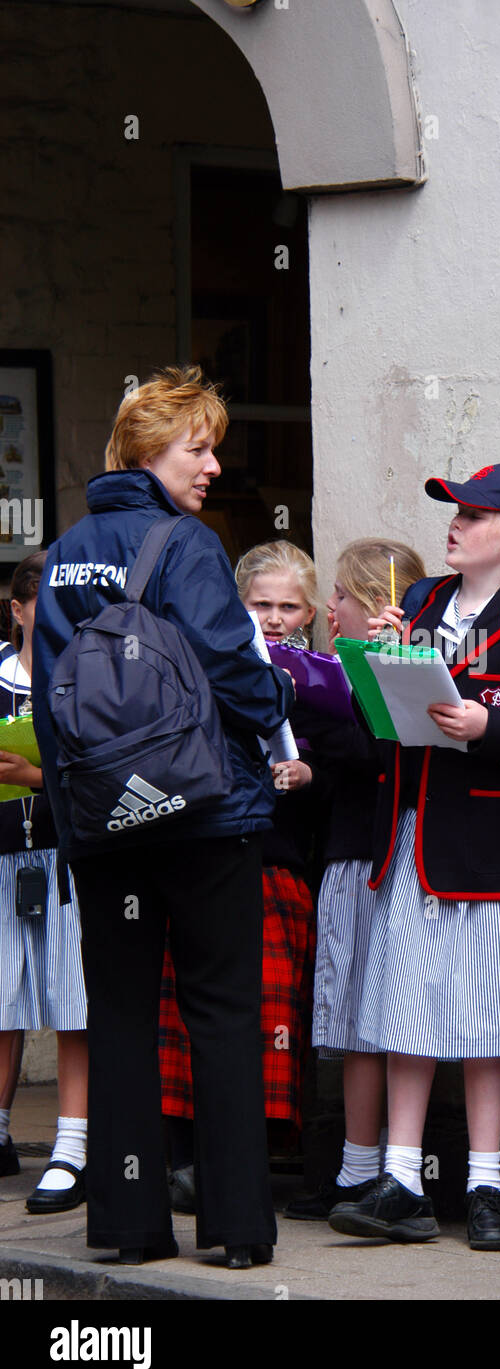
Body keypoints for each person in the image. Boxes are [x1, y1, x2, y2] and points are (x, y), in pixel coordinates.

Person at [31, 366, 294, 1268]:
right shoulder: (185, 545)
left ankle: (128, 1223)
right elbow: (229, 664)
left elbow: (51, 696)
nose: (213, 464)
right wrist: (277, 707)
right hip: (203, 812)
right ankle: (234, 1228)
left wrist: (74, 824)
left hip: (106, 822)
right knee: (222, 1011)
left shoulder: (64, 551)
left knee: (123, 1016)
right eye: (198, 446)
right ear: (147, 451)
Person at [327, 463, 500, 1250]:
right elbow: (378, 729)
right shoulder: (419, 604)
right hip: (413, 836)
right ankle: (401, 1180)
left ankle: (485, 1184)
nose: (454, 524)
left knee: (487, 1018)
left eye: (474, 516)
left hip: (498, 848)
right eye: (453, 510)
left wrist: (492, 729)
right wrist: (375, 668)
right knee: (407, 1008)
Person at [159, 540, 320, 1210]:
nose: (275, 617)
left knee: (270, 1017)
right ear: (235, 604)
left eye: (288, 605)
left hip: (282, 865)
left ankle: (249, 1158)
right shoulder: (212, 666)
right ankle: (182, 1157)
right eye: (261, 603)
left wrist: (312, 773)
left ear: (310, 612)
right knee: (186, 1010)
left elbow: (358, 761)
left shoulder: (322, 678)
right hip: (213, 854)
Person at [284, 538, 426, 1221]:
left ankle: (377, 1171)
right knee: (350, 1016)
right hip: (344, 849)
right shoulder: (325, 663)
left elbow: (381, 751)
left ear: (369, 602)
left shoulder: (408, 660)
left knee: (379, 1011)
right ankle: (354, 1166)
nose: (327, 609)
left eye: (337, 595)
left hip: (379, 852)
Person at [0, 553, 88, 1213]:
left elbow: (107, 772)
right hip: (3, 854)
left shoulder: (87, 679)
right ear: (19, 609)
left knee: (71, 1001)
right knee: (0, 1002)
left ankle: (72, 1143)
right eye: (44, 608)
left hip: (67, 858)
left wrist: (40, 779)